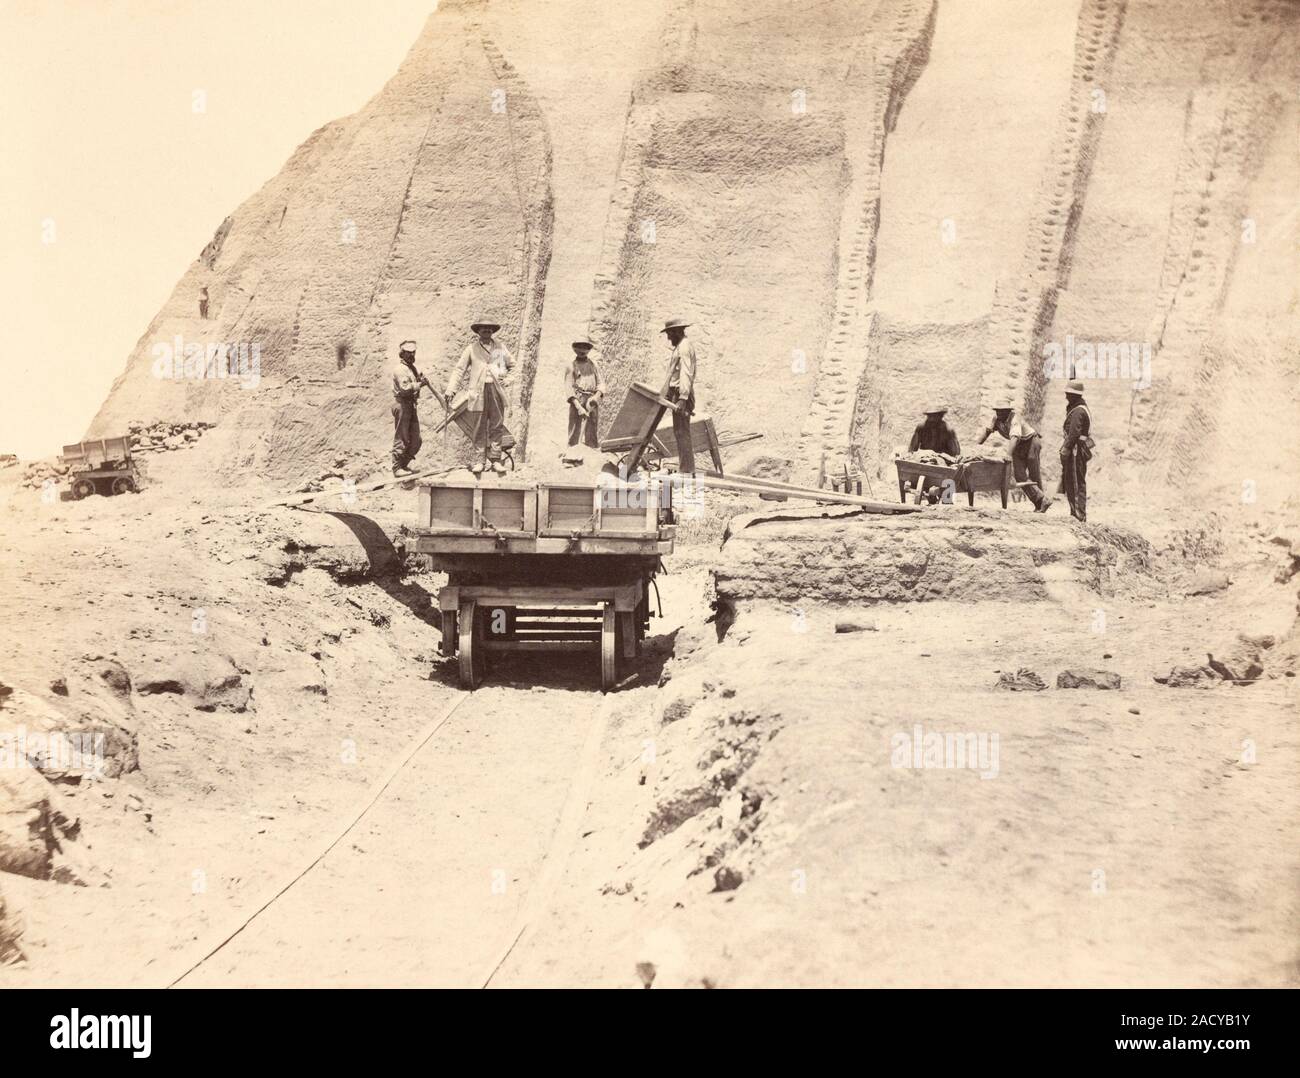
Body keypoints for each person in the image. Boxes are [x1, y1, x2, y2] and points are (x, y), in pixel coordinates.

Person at [446, 318, 512, 475]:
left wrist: (508, 379)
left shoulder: (500, 348)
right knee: (478, 427)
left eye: (489, 329)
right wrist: (451, 390)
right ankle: (479, 461)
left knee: (496, 425)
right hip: (477, 392)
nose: (487, 332)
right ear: (478, 331)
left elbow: (512, 366)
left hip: (496, 390)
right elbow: (459, 370)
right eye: (483, 329)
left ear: (493, 331)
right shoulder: (472, 349)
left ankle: (496, 460)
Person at [977, 402, 1051, 513]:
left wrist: (1008, 454)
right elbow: (985, 435)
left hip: (1030, 442)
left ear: (1008, 411)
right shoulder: (996, 419)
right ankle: (1041, 500)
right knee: (1020, 475)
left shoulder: (1014, 419)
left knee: (1034, 473)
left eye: (1002, 411)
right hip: (1018, 445)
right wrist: (977, 445)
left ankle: (1041, 504)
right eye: (997, 410)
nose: (999, 413)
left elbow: (1015, 437)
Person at [659, 318, 698, 474]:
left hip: (682, 395)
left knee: (682, 432)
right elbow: (674, 373)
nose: (668, 338)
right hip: (676, 393)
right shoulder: (680, 346)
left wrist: (683, 398)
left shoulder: (684, 348)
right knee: (679, 432)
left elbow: (686, 373)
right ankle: (686, 468)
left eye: (669, 334)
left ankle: (687, 471)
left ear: (676, 331)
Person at [391, 340, 427, 476]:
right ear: (402, 354)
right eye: (408, 353)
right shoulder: (400, 369)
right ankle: (396, 468)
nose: (411, 355)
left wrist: (419, 379)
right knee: (402, 437)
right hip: (402, 405)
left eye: (413, 352)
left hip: (411, 405)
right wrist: (420, 384)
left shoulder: (411, 368)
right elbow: (405, 388)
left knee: (416, 440)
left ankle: (403, 466)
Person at [565, 338, 606, 453]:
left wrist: (596, 397)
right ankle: (572, 454)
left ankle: (591, 454)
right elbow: (569, 388)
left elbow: (601, 383)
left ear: (588, 350)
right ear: (575, 349)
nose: (582, 350)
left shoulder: (594, 365)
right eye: (579, 347)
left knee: (591, 429)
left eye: (585, 348)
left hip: (592, 400)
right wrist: (578, 407)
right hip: (577, 400)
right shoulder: (571, 366)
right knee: (575, 429)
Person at [1060, 380, 1092, 521]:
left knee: (1076, 481)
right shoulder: (1077, 408)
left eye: (1069, 394)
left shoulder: (1078, 411)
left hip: (1075, 450)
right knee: (1072, 480)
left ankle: (1079, 514)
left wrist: (1066, 448)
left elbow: (1074, 433)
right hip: (1075, 448)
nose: (1066, 396)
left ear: (1075, 395)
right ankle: (1075, 512)